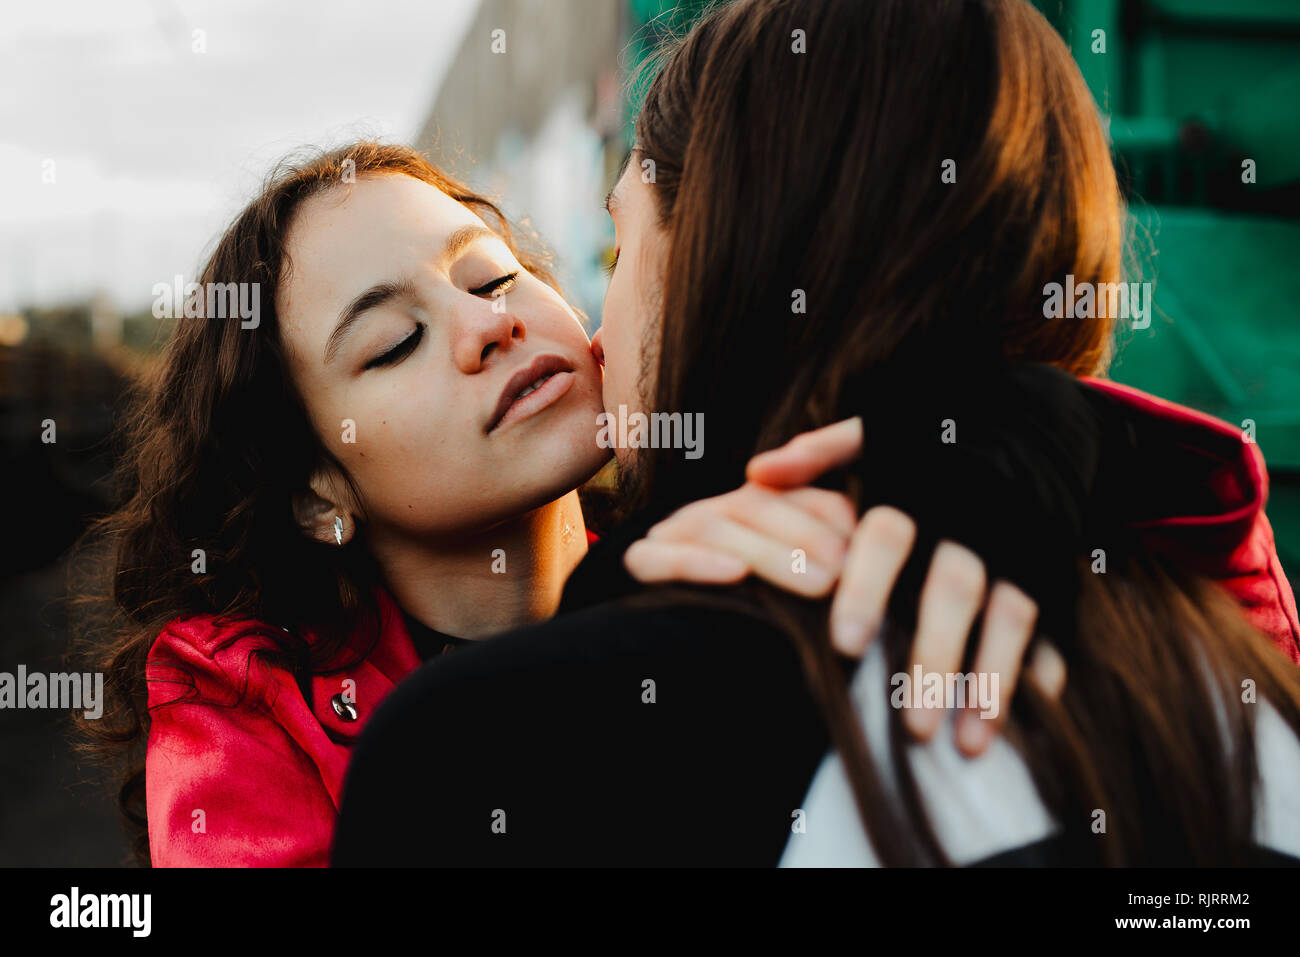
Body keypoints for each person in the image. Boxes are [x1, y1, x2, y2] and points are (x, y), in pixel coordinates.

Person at [330, 0, 1300, 867]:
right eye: (392, 342)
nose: (588, 329)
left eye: (621, 246)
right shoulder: (1234, 677)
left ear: (715, 259)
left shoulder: (495, 752)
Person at [72, 142, 1034, 867]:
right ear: (318, 488)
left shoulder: (723, 544)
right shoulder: (243, 697)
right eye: (396, 342)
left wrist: (1019, 456)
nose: (490, 324)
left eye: (491, 275)